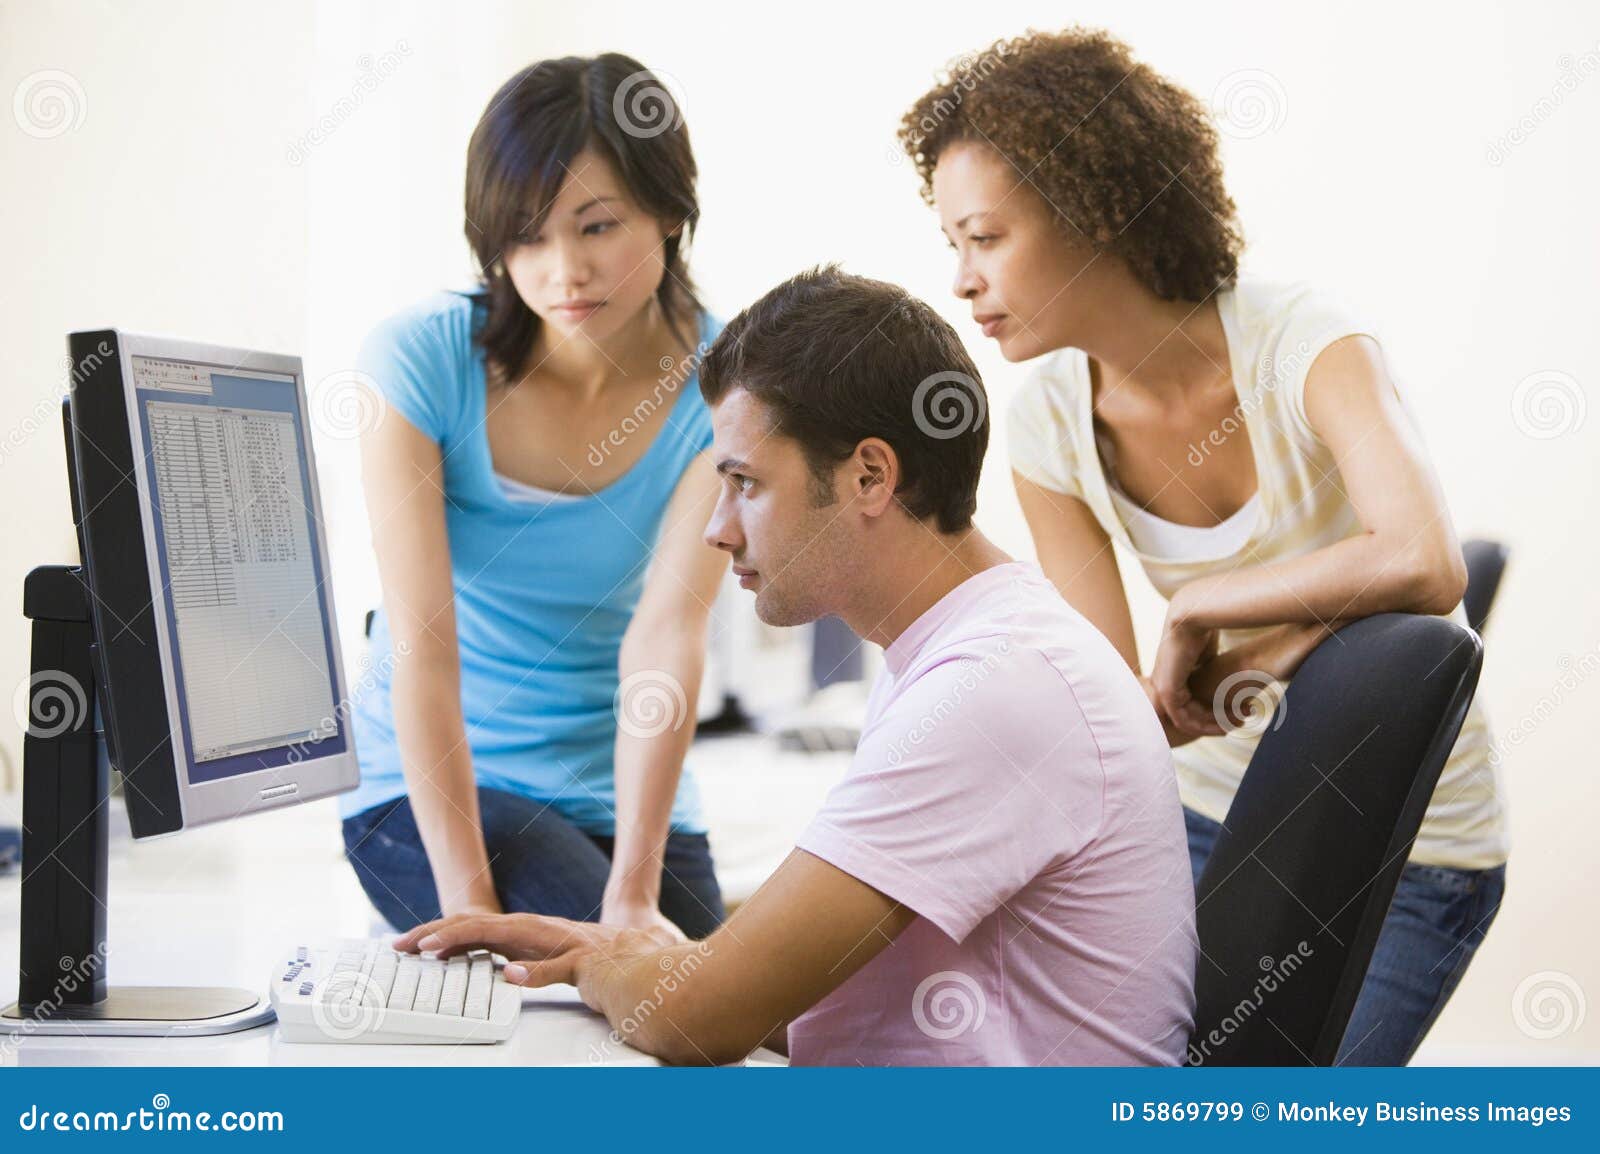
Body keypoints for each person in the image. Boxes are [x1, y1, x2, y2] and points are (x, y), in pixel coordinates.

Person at [394, 267, 1197, 1067]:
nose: (719, 528)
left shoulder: (994, 686)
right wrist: (603, 950)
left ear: (870, 476)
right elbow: (799, 997)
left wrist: (617, 968)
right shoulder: (972, 648)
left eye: (746, 484)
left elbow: (697, 1020)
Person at [899, 27, 1507, 1064]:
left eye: (985, 238)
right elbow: (1114, 702)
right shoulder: (1049, 421)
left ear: (1090, 206)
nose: (960, 278)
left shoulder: (1302, 342)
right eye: (952, 243)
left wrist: (1199, 609)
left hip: (1410, 852)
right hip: (1199, 821)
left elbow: (1423, 556)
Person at [342, 54, 727, 940]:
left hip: (617, 784)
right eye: (526, 236)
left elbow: (666, 637)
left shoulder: (722, 382)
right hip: (434, 788)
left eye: (596, 226)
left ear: (670, 210)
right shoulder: (420, 360)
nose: (564, 271)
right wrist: (470, 906)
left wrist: (634, 890)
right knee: (629, 1006)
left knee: (736, 1017)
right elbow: (422, 646)